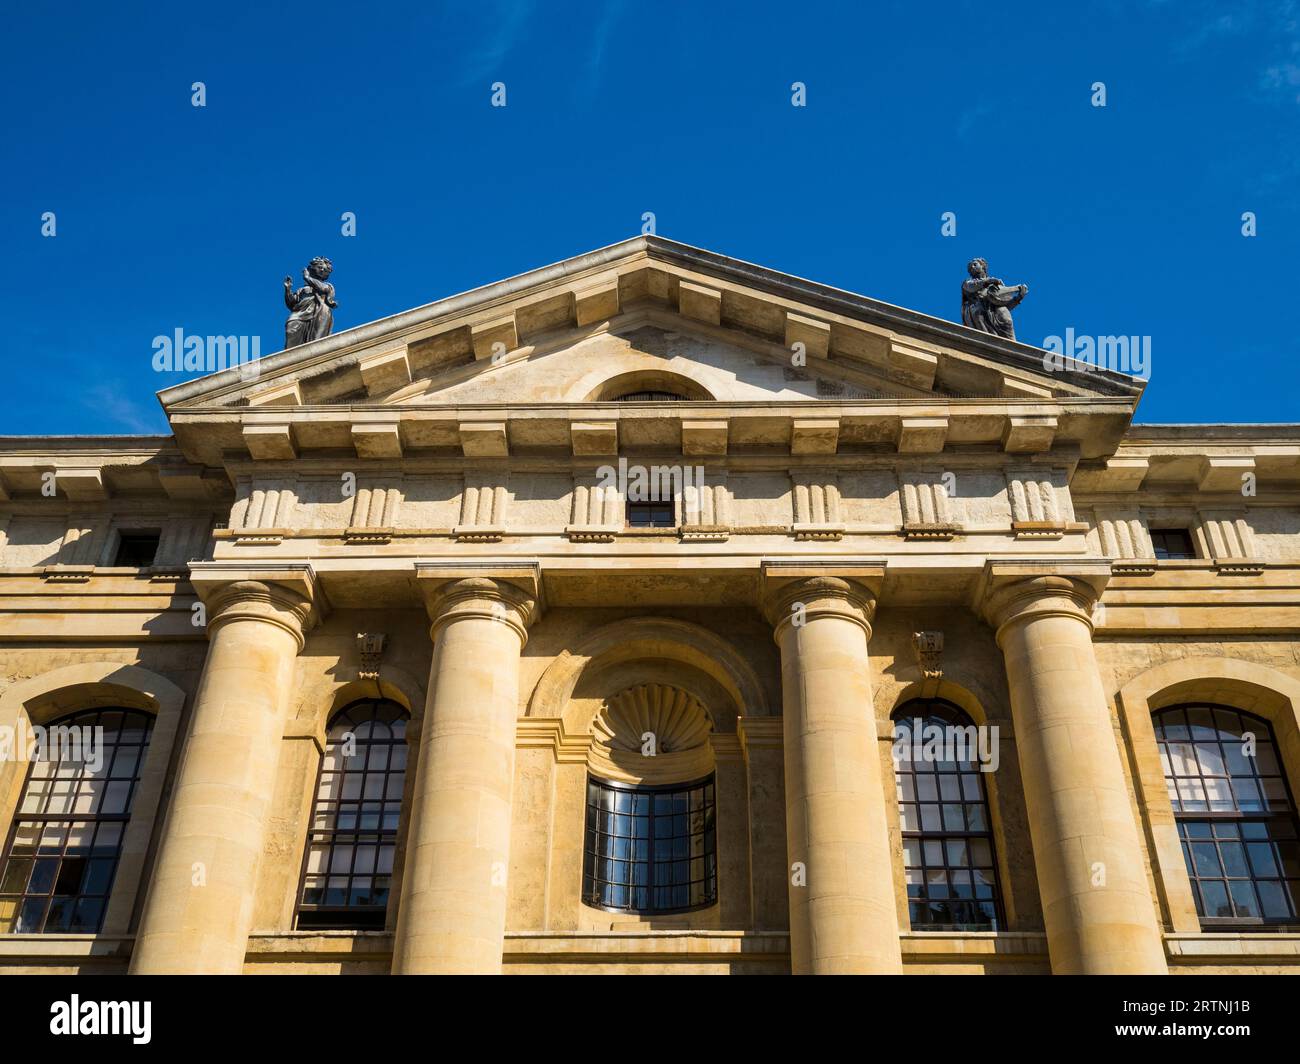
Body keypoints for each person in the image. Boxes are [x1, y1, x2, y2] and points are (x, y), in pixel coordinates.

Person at [961, 258, 1027, 340]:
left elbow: (1003, 302)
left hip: (994, 308)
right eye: (970, 268)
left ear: (983, 266)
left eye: (975, 264)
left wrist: (1018, 298)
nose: (972, 268)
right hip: (978, 308)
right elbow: (971, 287)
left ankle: (1012, 348)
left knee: (1007, 319)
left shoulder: (995, 284)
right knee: (979, 311)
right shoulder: (968, 282)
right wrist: (988, 281)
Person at [284, 257, 337, 348]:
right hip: (300, 313)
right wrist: (287, 290)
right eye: (319, 267)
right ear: (311, 268)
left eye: (324, 269)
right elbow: (292, 304)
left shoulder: (328, 286)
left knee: (316, 342)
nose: (321, 270)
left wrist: (307, 278)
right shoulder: (302, 290)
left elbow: (322, 288)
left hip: (319, 313)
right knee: (291, 329)